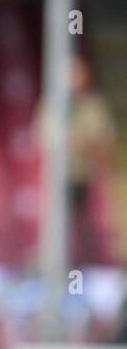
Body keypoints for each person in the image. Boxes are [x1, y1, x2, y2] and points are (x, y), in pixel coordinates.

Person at [32, 54, 118, 265]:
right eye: (70, 74)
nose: (74, 79)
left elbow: (105, 140)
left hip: (85, 175)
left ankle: (89, 263)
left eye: (79, 74)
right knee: (58, 222)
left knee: (88, 223)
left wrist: (88, 146)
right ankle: (52, 264)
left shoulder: (94, 105)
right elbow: (42, 138)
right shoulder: (52, 104)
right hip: (59, 175)